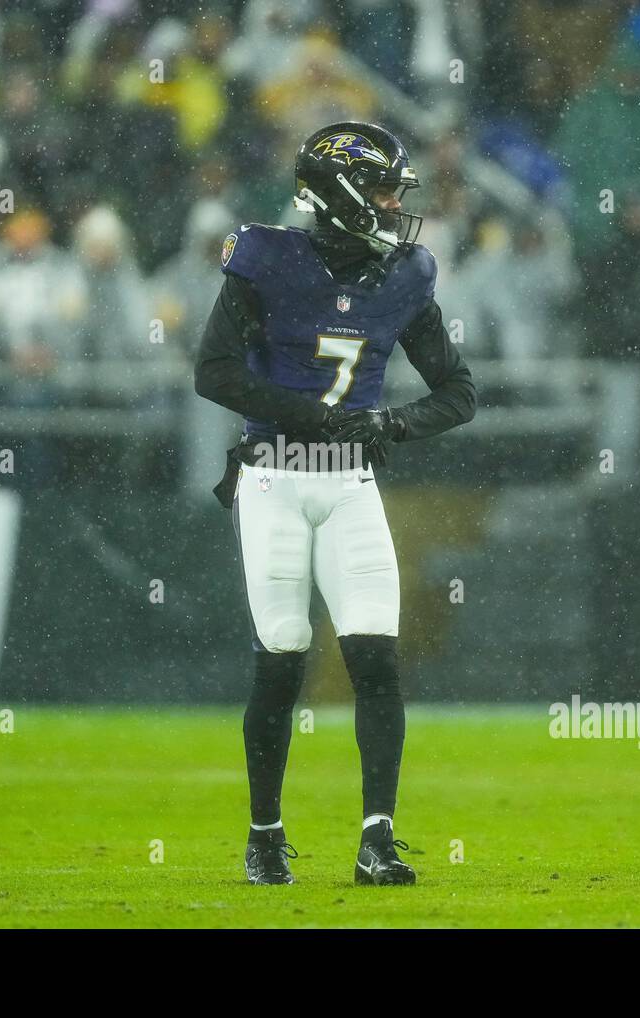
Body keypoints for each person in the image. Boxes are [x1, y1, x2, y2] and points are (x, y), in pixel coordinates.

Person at [194, 122, 476, 885]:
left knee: (376, 657)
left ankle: (377, 839)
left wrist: (391, 423)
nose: (394, 204)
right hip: (275, 479)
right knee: (282, 659)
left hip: (351, 482)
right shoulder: (267, 259)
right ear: (342, 191)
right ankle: (263, 835)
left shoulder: (405, 275)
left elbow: (458, 394)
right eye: (385, 189)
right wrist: (305, 413)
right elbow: (213, 373)